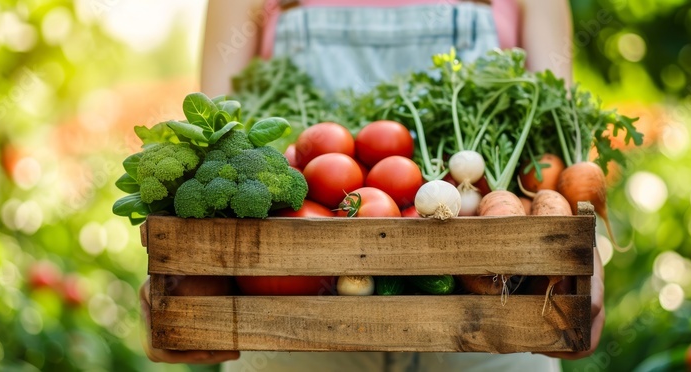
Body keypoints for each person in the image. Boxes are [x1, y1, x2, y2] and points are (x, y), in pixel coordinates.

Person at [139, 0, 604, 370]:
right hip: (289, 331)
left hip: (496, 323)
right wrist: (179, 283)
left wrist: (581, 262)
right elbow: (216, 143)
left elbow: (557, 144)